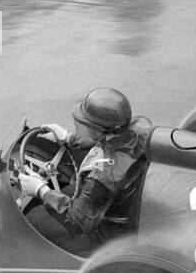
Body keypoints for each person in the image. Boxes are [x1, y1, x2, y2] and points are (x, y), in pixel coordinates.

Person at [17, 88, 152, 255]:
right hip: (127, 208)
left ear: (97, 129)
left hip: (109, 235)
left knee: (33, 221)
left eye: (87, 124)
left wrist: (40, 189)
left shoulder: (103, 177)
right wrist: (68, 138)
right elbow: (112, 145)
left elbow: (77, 222)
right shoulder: (139, 128)